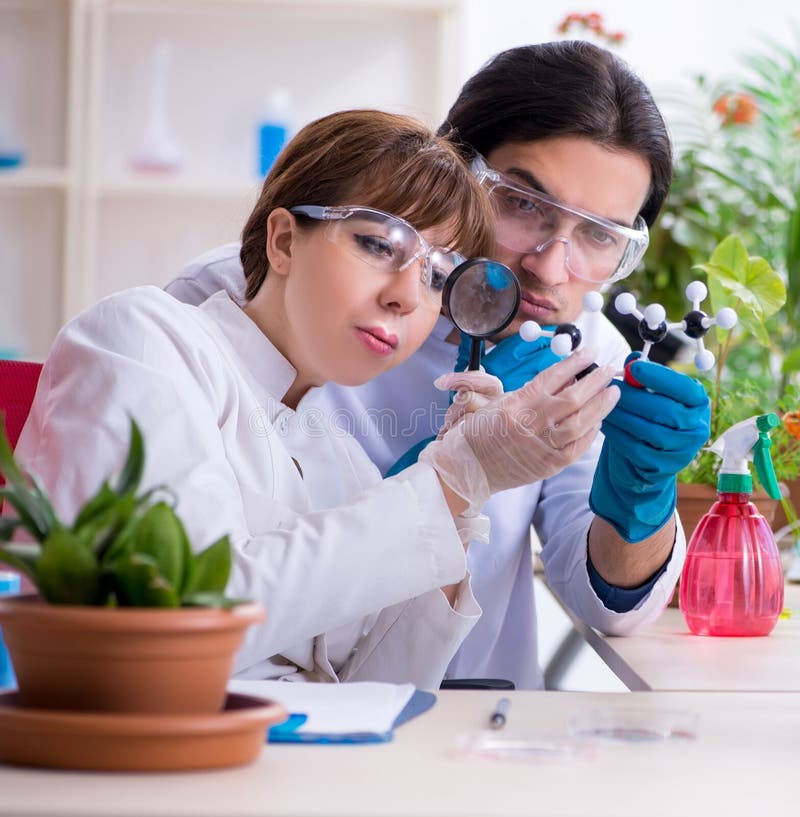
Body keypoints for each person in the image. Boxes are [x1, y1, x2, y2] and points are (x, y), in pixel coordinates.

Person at [165, 41, 711, 689]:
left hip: (471, 702)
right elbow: (221, 588)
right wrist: (454, 467)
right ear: (454, 171)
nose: (549, 266)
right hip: (275, 697)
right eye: (523, 203)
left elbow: (608, 604)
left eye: (598, 235)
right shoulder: (259, 296)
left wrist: (640, 497)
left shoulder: (584, 352)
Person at [15, 109, 619, 689]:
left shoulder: (336, 454)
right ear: (283, 240)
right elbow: (168, 631)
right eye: (379, 245)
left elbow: (381, 689)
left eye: (438, 275)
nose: (408, 297)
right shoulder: (141, 340)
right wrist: (450, 479)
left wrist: (464, 498)